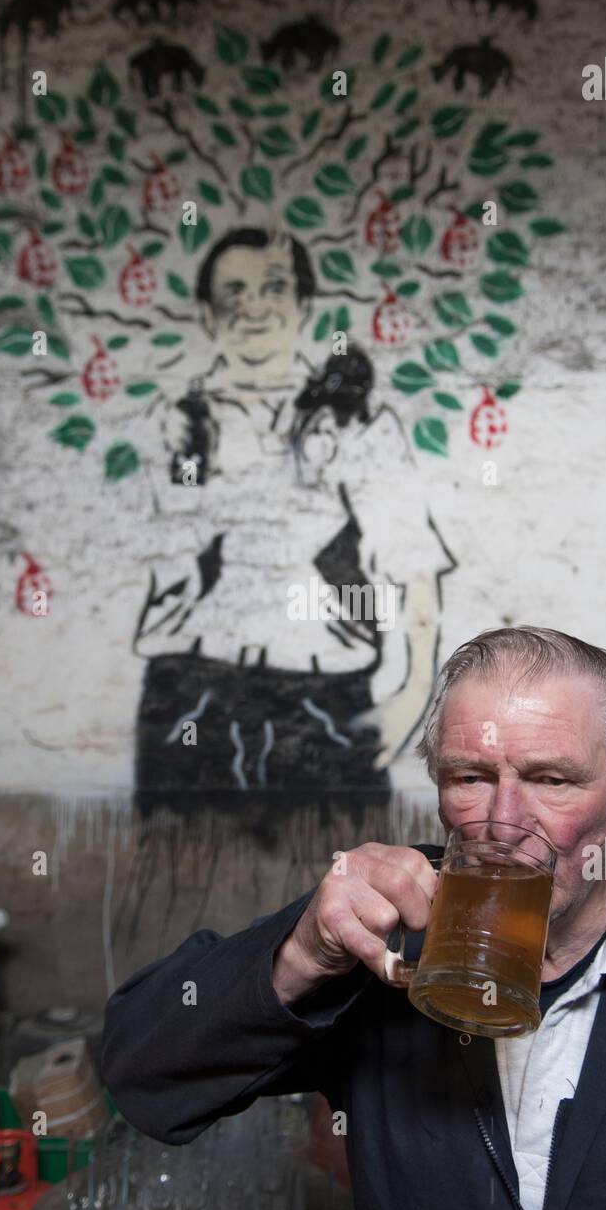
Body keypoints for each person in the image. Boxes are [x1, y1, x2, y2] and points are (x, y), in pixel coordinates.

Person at [101, 626, 606, 1210]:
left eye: (550, 779)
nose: (505, 824)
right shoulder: (381, 928)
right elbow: (141, 1077)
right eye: (471, 778)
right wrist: (300, 958)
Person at [133, 225, 455, 838]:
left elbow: (413, 559)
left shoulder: (354, 422)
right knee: (187, 870)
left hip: (322, 693)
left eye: (273, 288)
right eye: (233, 291)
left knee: (336, 883)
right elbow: (163, 558)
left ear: (304, 305)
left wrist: (415, 695)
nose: (252, 307)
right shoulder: (178, 424)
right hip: (188, 691)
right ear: (207, 315)